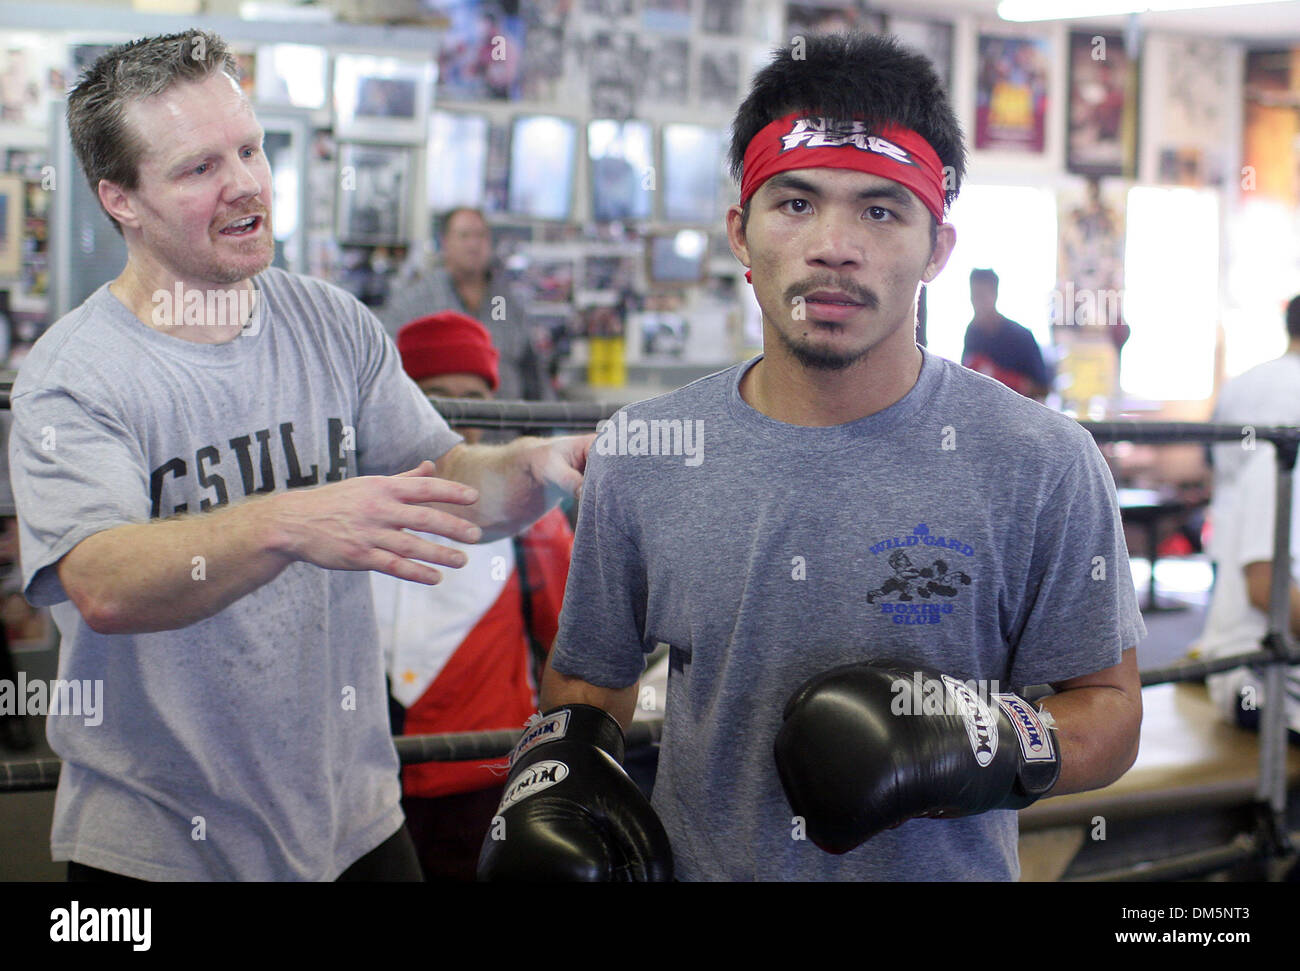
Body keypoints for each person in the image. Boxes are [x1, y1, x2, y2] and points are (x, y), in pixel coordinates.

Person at [486, 32, 1145, 882]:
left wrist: (981, 740)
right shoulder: (645, 451)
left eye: (880, 209)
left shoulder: (1043, 461)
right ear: (740, 232)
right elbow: (586, 680)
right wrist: (557, 784)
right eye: (795, 203)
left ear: (937, 249)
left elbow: (1112, 713)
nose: (835, 245)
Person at [7, 31, 590, 882]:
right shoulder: (75, 372)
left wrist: (531, 467)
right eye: (199, 167)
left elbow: (445, 483)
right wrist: (290, 521)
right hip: (161, 844)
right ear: (120, 199)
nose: (245, 183)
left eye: (249, 148)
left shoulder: (328, 321)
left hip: (352, 822)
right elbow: (102, 580)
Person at [373, 311, 574, 880]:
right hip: (369, 783)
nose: (460, 415)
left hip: (484, 780)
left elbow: (567, 645)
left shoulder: (532, 521)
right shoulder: (355, 507)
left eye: (472, 397)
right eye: (436, 396)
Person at [1199, 295, 1300, 739]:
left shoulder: (1244, 383)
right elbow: (1266, 590)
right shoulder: (1280, 461)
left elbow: (1213, 459)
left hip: (1233, 524)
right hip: (1258, 673)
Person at [379, 208, 549, 401]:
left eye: (481, 236)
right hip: (438, 425)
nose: (473, 244)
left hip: (506, 426)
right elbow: (387, 369)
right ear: (445, 243)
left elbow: (535, 377)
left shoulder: (506, 303)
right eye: (464, 235)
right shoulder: (413, 301)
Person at [962, 267, 1052, 402]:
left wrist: (1011, 381)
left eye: (981, 296)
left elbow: (1044, 389)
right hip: (983, 414)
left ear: (994, 294)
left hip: (1018, 415)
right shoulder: (973, 332)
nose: (977, 303)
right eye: (974, 296)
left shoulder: (1021, 337)